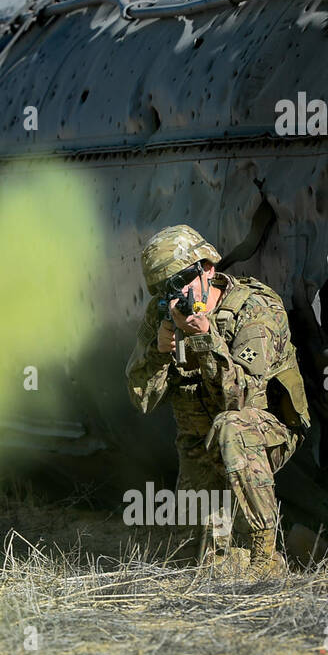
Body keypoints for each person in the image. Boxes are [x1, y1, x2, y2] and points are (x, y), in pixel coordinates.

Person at [125, 225, 311, 577]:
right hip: (201, 444)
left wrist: (205, 339)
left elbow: (242, 398)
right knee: (192, 564)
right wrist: (159, 353)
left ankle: (266, 558)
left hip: (261, 434)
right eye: (165, 287)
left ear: (208, 268)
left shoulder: (255, 309)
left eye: (182, 279)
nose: (175, 293)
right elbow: (141, 399)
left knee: (232, 427)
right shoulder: (163, 315)